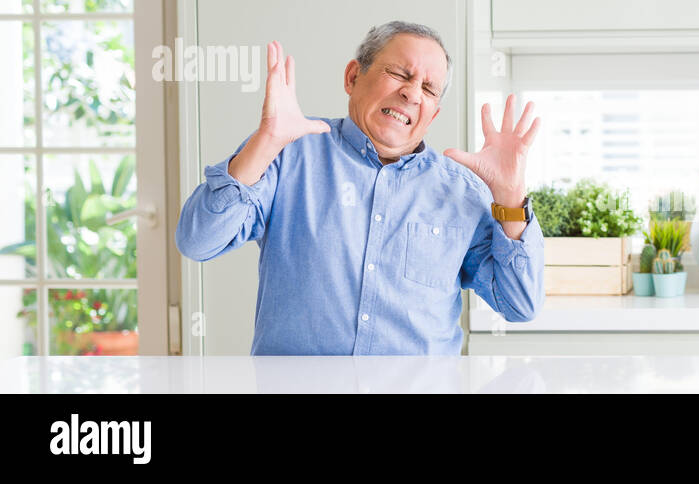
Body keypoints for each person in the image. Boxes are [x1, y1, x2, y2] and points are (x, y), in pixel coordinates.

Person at [175, 21, 543, 355]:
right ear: (353, 77)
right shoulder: (287, 153)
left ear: (433, 114)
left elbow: (519, 305)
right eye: (400, 73)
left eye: (429, 89)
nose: (412, 94)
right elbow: (197, 241)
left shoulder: (461, 191)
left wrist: (510, 196)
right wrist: (264, 142)